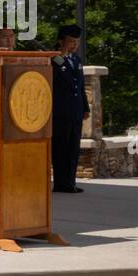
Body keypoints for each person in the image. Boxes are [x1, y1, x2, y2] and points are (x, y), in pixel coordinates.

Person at [51, 23, 90, 193]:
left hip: (75, 110)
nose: (74, 45)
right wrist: (59, 57)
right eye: (71, 41)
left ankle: (71, 181)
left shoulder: (76, 60)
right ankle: (61, 183)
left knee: (73, 148)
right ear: (61, 41)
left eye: (76, 42)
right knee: (60, 147)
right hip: (60, 111)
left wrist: (85, 107)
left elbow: (80, 86)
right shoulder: (54, 59)